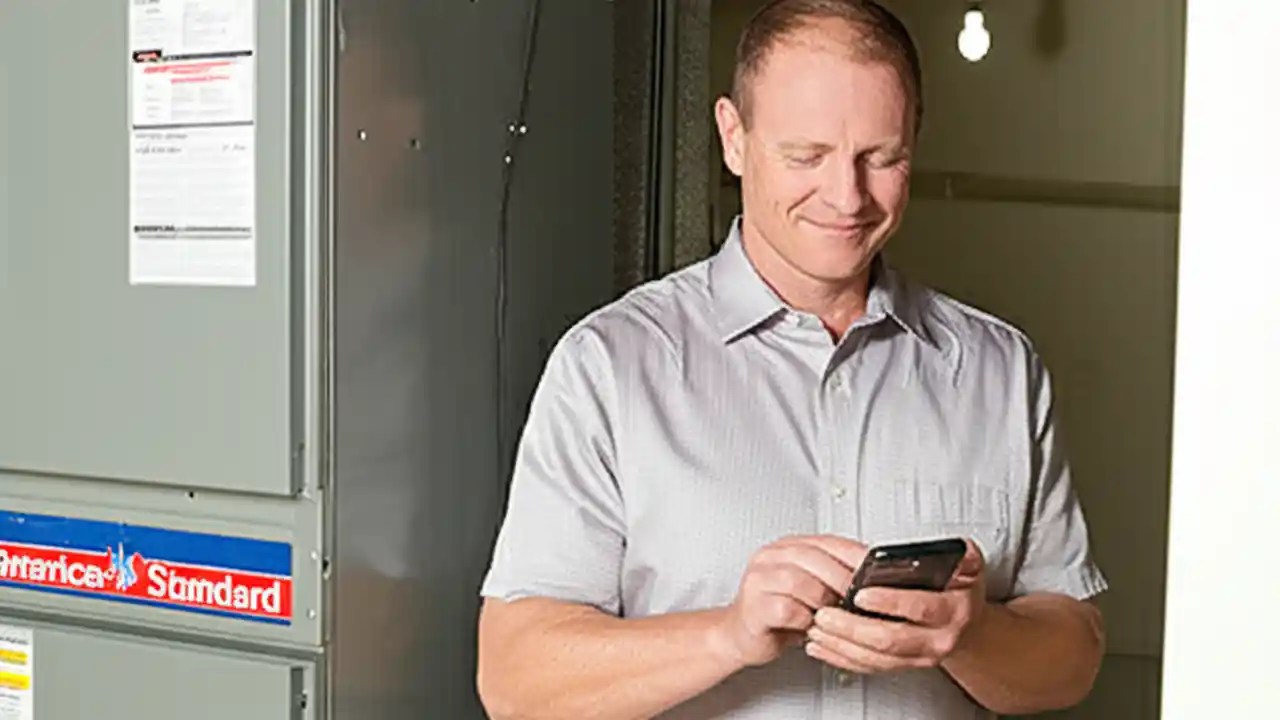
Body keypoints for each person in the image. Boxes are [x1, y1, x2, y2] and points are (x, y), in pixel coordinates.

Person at [476, 1, 1107, 718]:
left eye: (882, 158)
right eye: (806, 156)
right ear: (733, 137)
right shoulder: (611, 367)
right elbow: (515, 680)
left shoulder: (999, 372)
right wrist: (726, 635)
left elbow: (1072, 657)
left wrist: (971, 634)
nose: (847, 197)